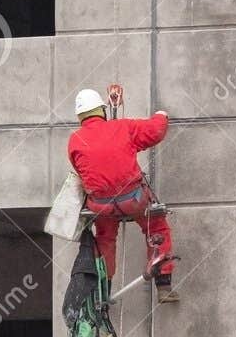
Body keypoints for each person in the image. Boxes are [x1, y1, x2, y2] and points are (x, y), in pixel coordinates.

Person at [66, 88, 178, 303]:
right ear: (102, 110)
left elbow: (82, 171)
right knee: (156, 228)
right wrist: (161, 115)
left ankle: (103, 292)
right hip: (133, 198)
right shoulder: (122, 128)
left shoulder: (74, 140)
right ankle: (164, 285)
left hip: (101, 205)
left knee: (105, 238)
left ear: (80, 116)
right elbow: (154, 131)